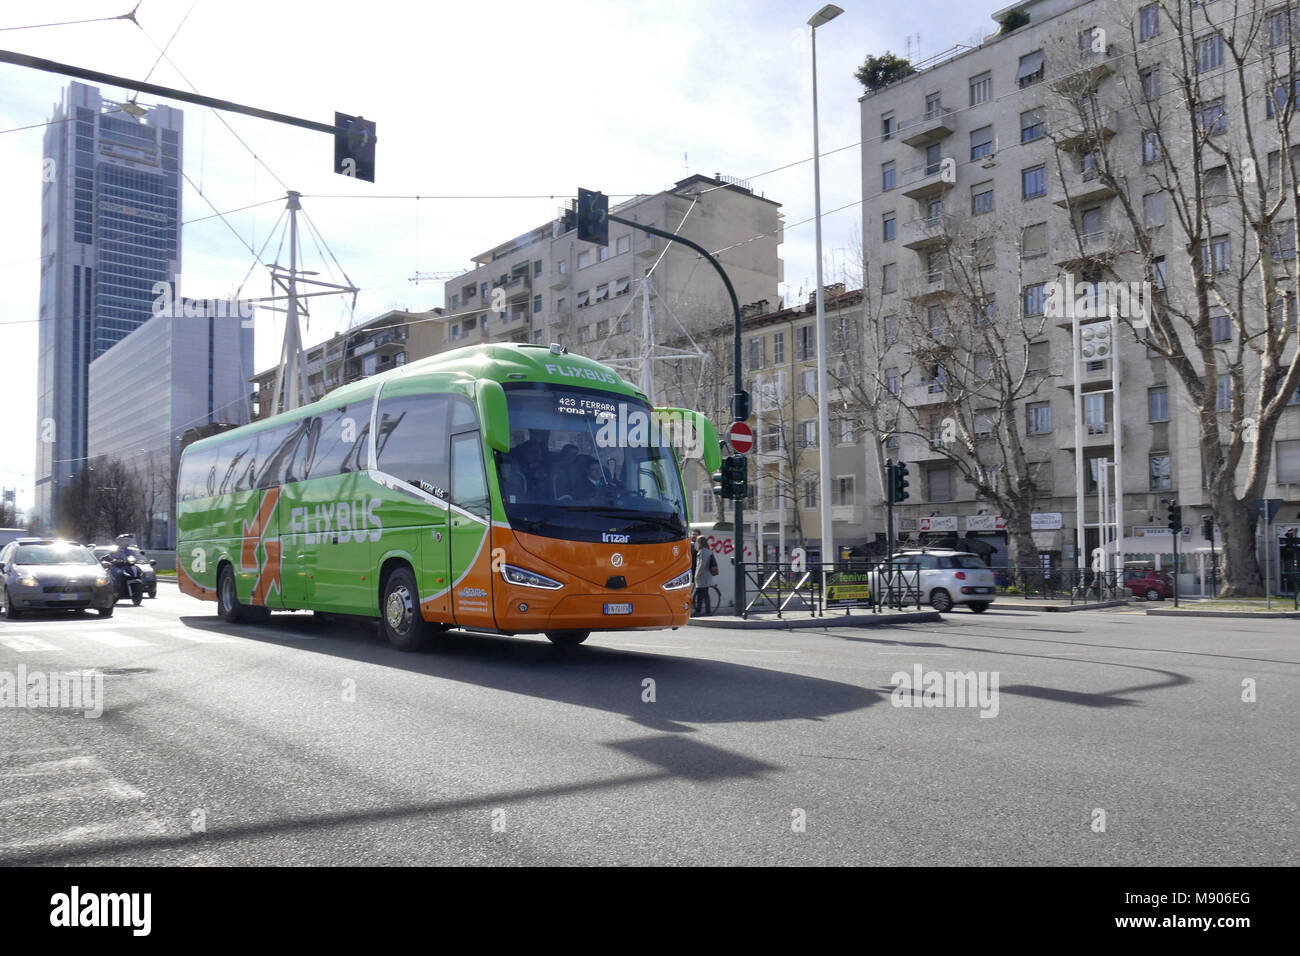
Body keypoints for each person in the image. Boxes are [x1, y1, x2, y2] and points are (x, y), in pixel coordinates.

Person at [693, 537, 718, 616]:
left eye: (697, 542)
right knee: (703, 594)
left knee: (700, 594)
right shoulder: (707, 551)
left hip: (702, 576)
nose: (696, 543)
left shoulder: (703, 551)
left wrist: (697, 574)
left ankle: (701, 611)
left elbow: (701, 564)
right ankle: (705, 611)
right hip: (706, 576)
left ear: (700, 542)